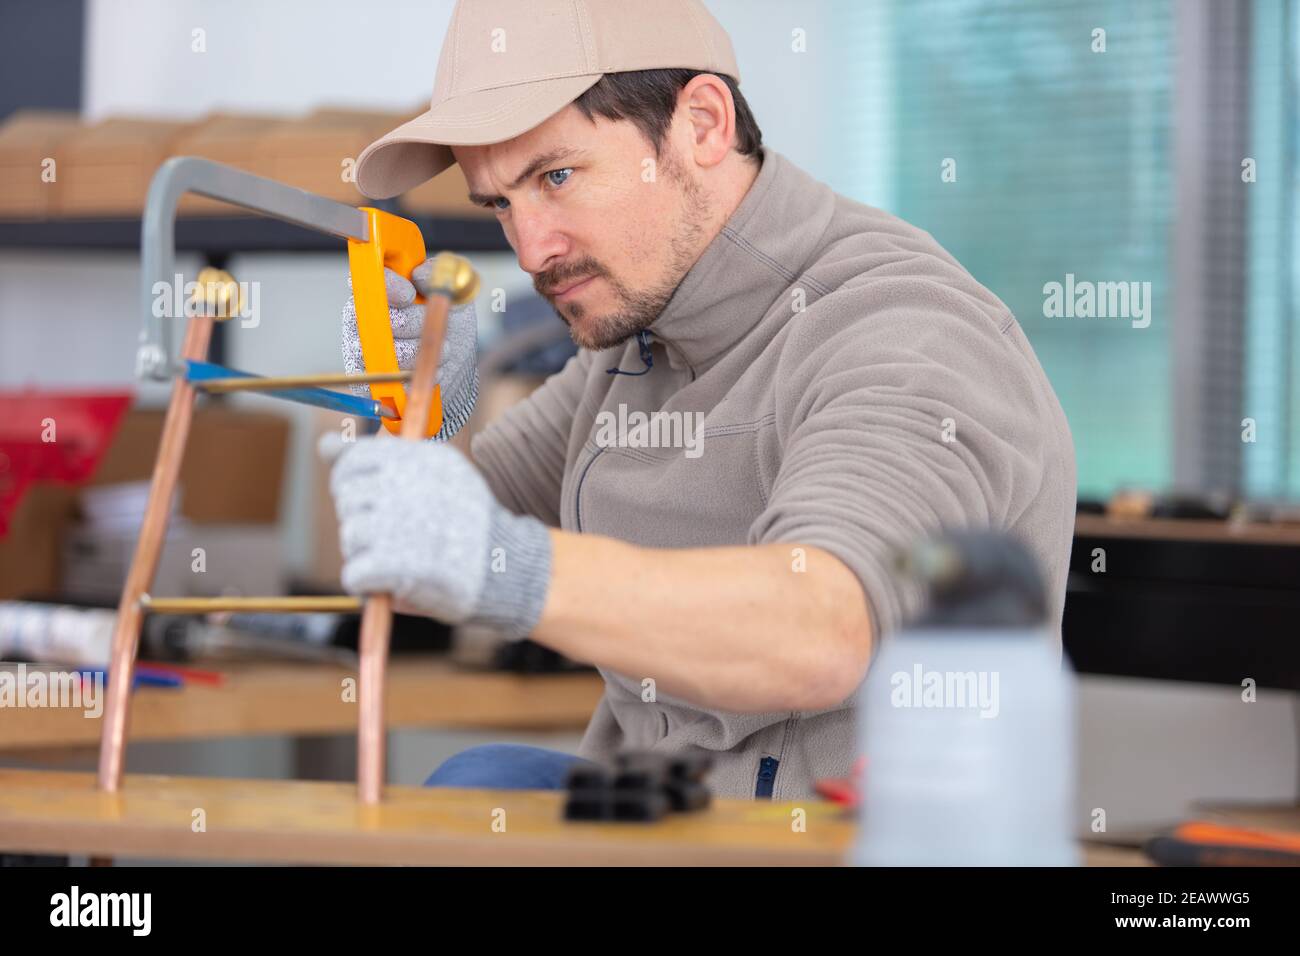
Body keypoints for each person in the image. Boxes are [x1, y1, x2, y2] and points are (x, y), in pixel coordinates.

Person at [331, 0, 1076, 799]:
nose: (532, 248)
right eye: (501, 203)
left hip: (838, 849)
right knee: (475, 786)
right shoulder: (639, 332)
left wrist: (502, 565)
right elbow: (419, 560)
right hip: (657, 827)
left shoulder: (903, 332)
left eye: (556, 176)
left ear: (702, 125)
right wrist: (412, 419)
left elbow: (821, 628)